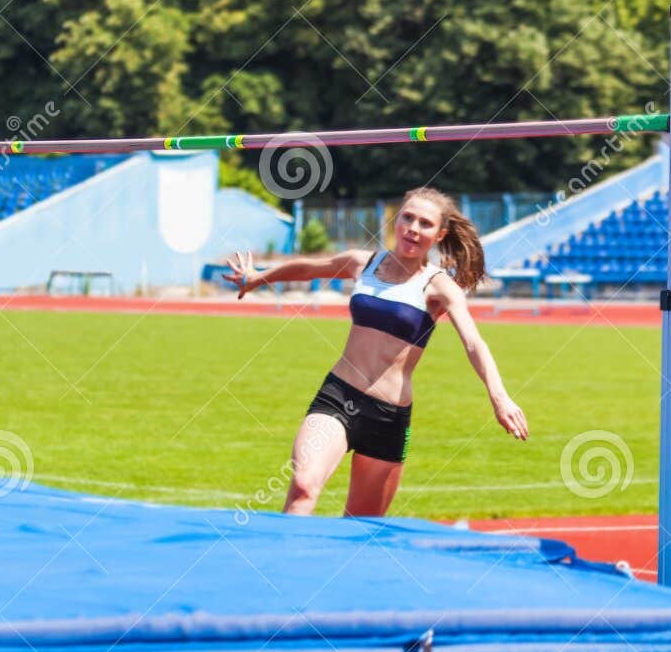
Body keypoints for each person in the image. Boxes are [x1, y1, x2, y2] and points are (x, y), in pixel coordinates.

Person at [224, 187, 528, 518]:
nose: (413, 228)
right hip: (338, 397)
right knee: (303, 486)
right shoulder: (364, 262)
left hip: (388, 417)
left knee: (362, 529)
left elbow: (474, 343)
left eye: (425, 224)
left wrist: (500, 397)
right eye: (407, 218)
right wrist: (257, 279)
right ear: (396, 221)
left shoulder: (440, 287)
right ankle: (282, 568)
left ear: (439, 234)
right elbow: (307, 268)